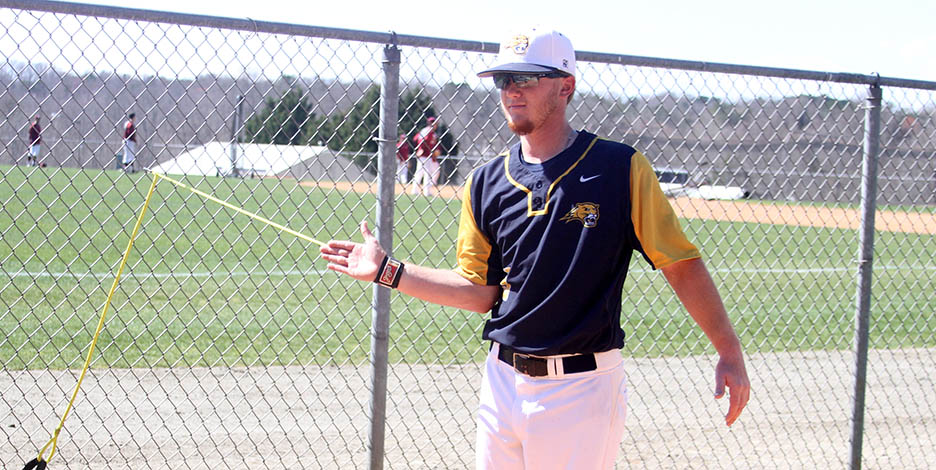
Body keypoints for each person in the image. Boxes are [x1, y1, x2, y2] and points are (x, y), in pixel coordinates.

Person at [319, 26, 750, 470]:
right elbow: (477, 290)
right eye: (504, 80)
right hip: (502, 382)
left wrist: (729, 351)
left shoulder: (619, 168)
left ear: (566, 86)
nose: (511, 92)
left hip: (580, 390)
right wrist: (387, 270)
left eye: (526, 79)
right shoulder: (484, 183)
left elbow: (680, 264)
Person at [411, 116, 442, 196]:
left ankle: (415, 190)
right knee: (426, 173)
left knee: (420, 172)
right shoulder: (428, 131)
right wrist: (421, 148)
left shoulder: (427, 131)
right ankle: (426, 191)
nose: (436, 125)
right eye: (434, 123)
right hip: (425, 155)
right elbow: (421, 140)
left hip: (427, 155)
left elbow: (416, 138)